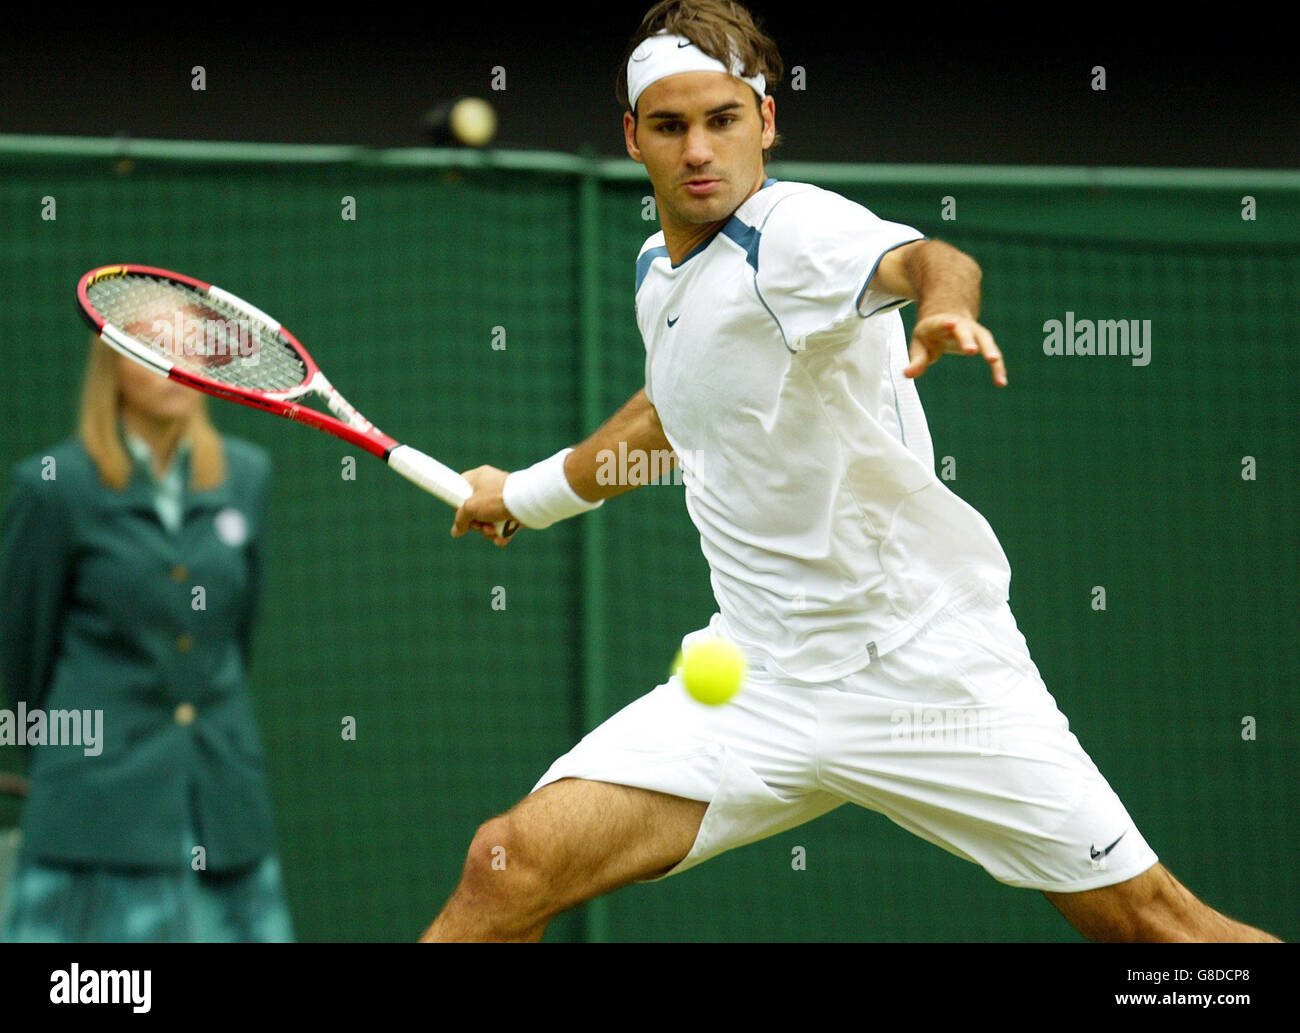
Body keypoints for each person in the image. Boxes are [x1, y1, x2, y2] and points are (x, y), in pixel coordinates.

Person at [426, 0, 1279, 943]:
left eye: (724, 120)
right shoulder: (659, 272)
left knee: (1160, 932)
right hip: (758, 683)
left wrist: (943, 307)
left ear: (768, 123)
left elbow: (927, 257)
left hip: (927, 675)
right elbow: (676, 412)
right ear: (633, 138)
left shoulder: (793, 233)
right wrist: (526, 496)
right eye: (670, 126)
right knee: (508, 867)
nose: (699, 150)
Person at [0, 332, 293, 942]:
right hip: (91, 823)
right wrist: (80, 761)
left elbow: (235, 642)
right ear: (113, 370)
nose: (175, 366)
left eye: (191, 348)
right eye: (153, 351)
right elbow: (23, 654)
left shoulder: (247, 476)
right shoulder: (52, 487)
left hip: (224, 813)